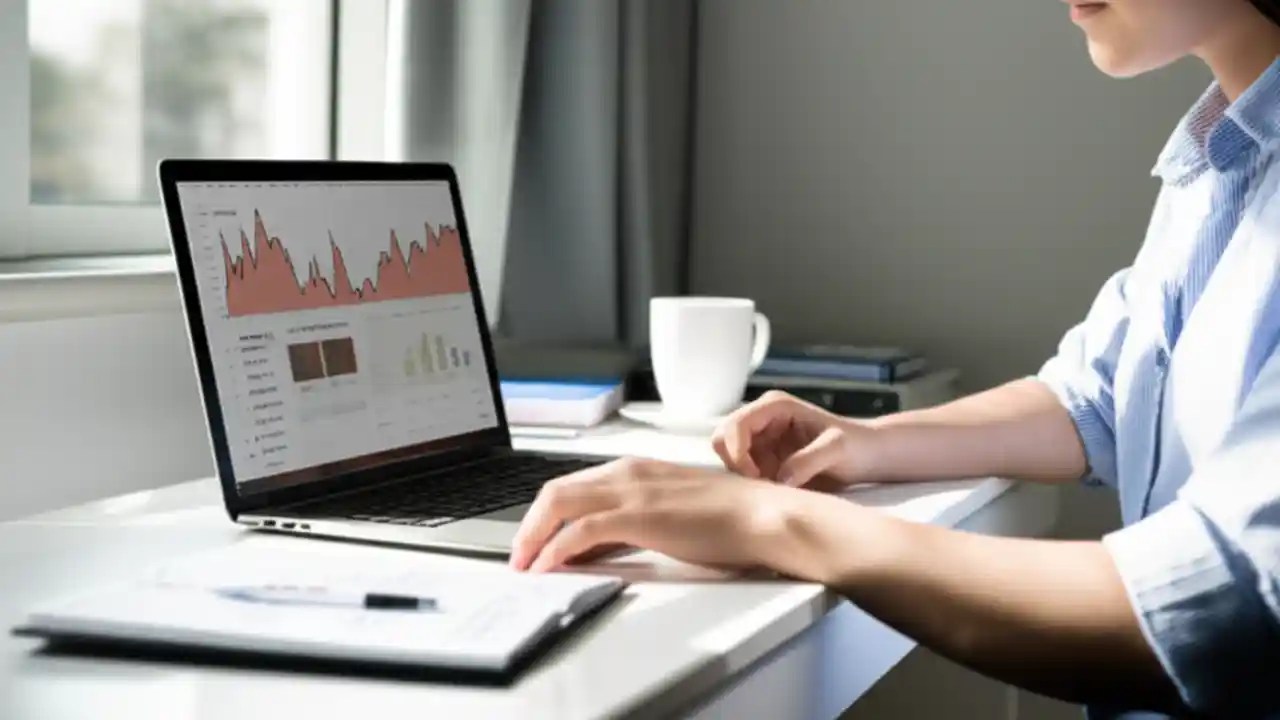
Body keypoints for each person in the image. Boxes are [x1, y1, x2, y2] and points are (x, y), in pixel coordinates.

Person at [509, 0, 1280, 716]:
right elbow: (1098, 396)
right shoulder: (1223, 164)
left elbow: (1219, 607)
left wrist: (775, 521)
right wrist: (867, 442)